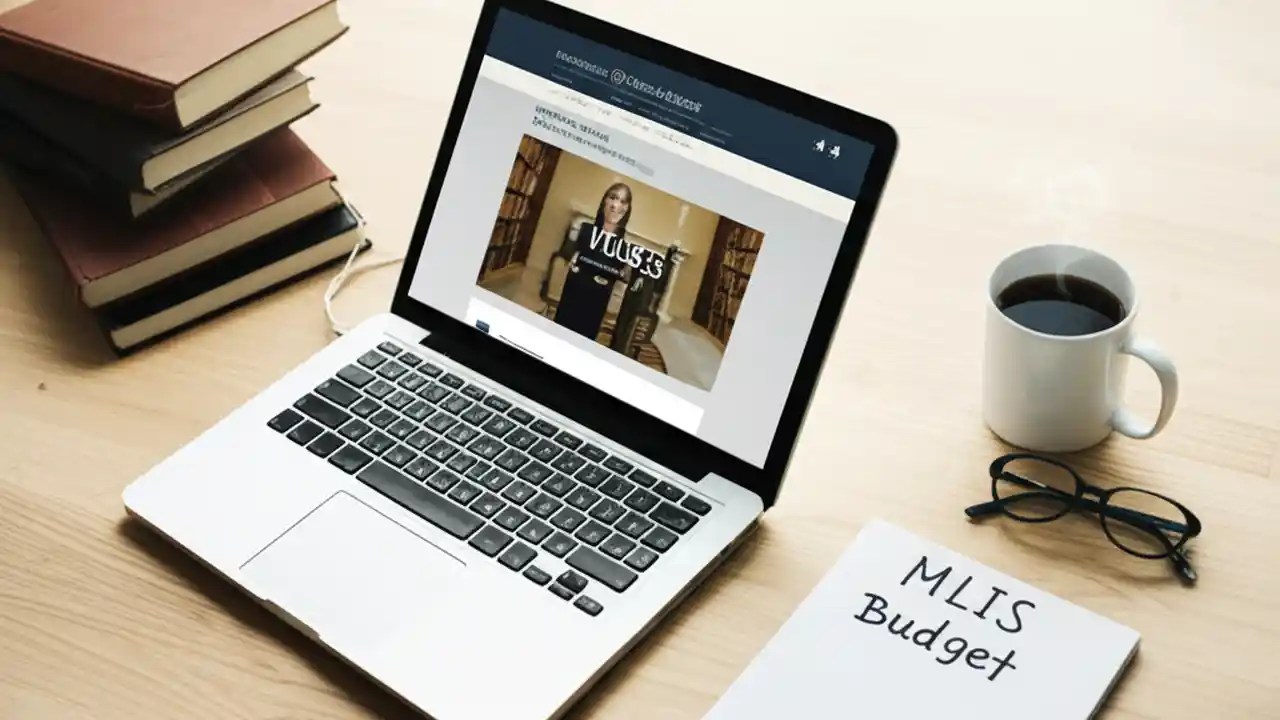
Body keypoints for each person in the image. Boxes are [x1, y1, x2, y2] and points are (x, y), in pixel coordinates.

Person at [554, 182, 633, 339]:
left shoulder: (624, 246)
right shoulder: (584, 229)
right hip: (574, 293)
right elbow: (567, 254)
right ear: (605, 201)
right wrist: (572, 250)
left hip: (596, 303)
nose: (615, 205)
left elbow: (624, 276)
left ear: (626, 209)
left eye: (623, 201)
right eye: (613, 198)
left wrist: (627, 270)